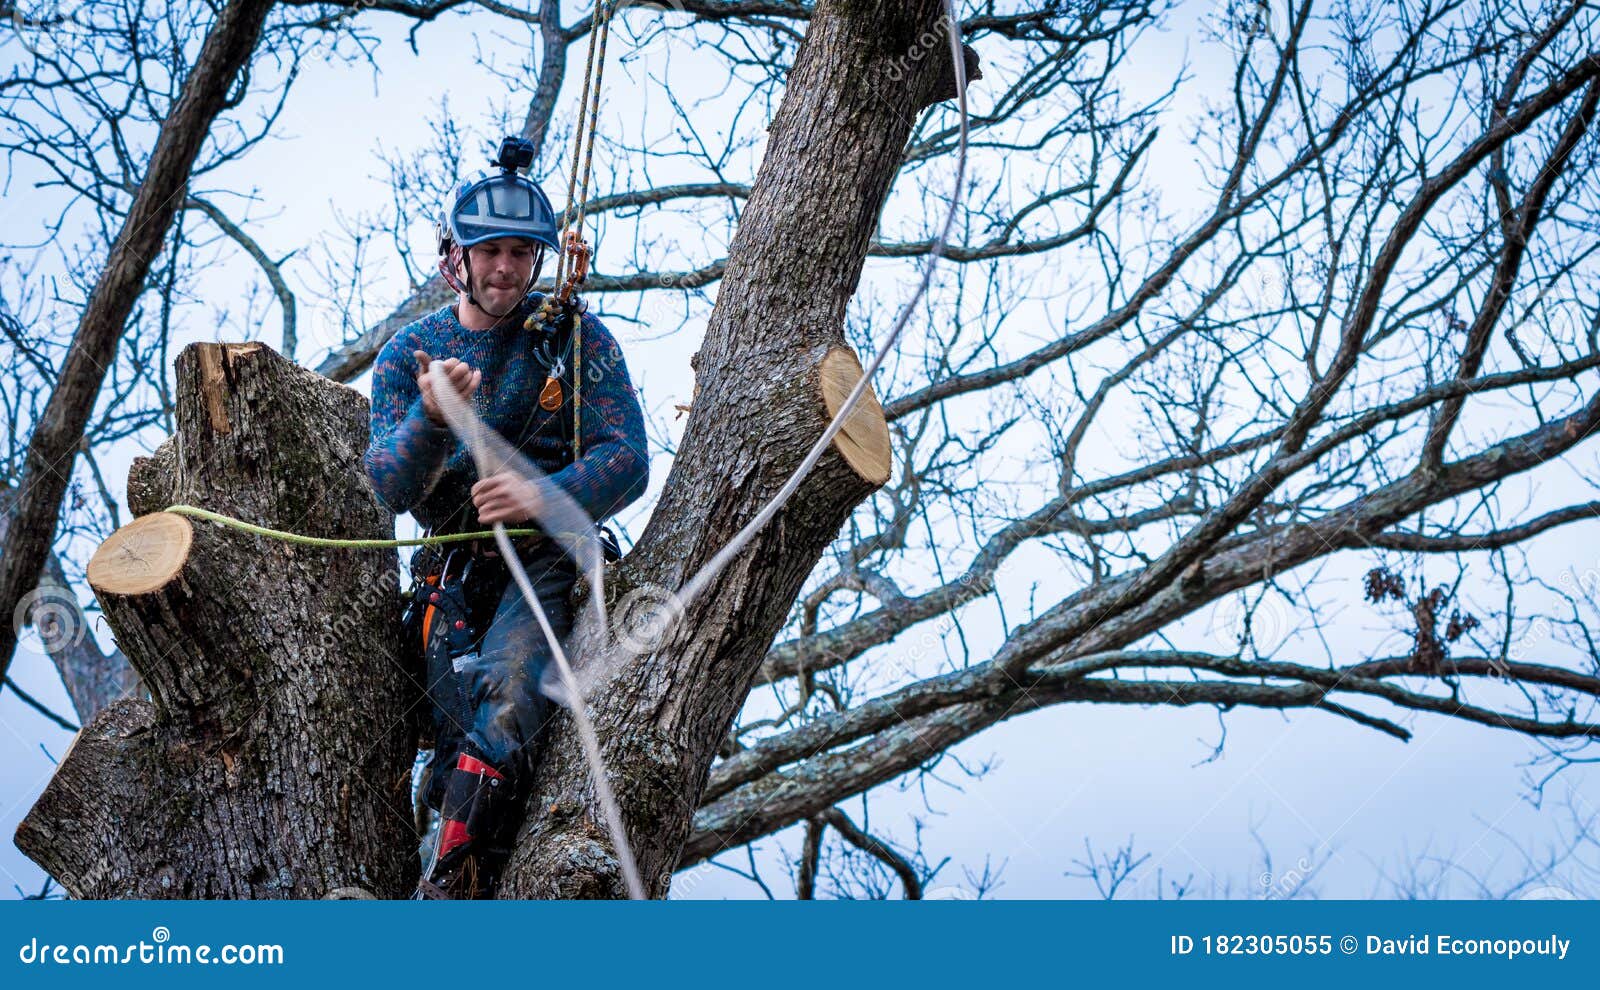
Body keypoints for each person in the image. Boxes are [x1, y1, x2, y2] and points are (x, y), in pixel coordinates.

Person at [363, 138, 649, 898]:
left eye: (523, 253)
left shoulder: (574, 338)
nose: (506, 269)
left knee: (511, 695)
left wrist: (540, 496)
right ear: (452, 257)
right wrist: (432, 415)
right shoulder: (411, 352)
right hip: (450, 572)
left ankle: (444, 898)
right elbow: (388, 485)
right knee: (446, 733)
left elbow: (629, 457)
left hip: (546, 559)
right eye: (489, 251)